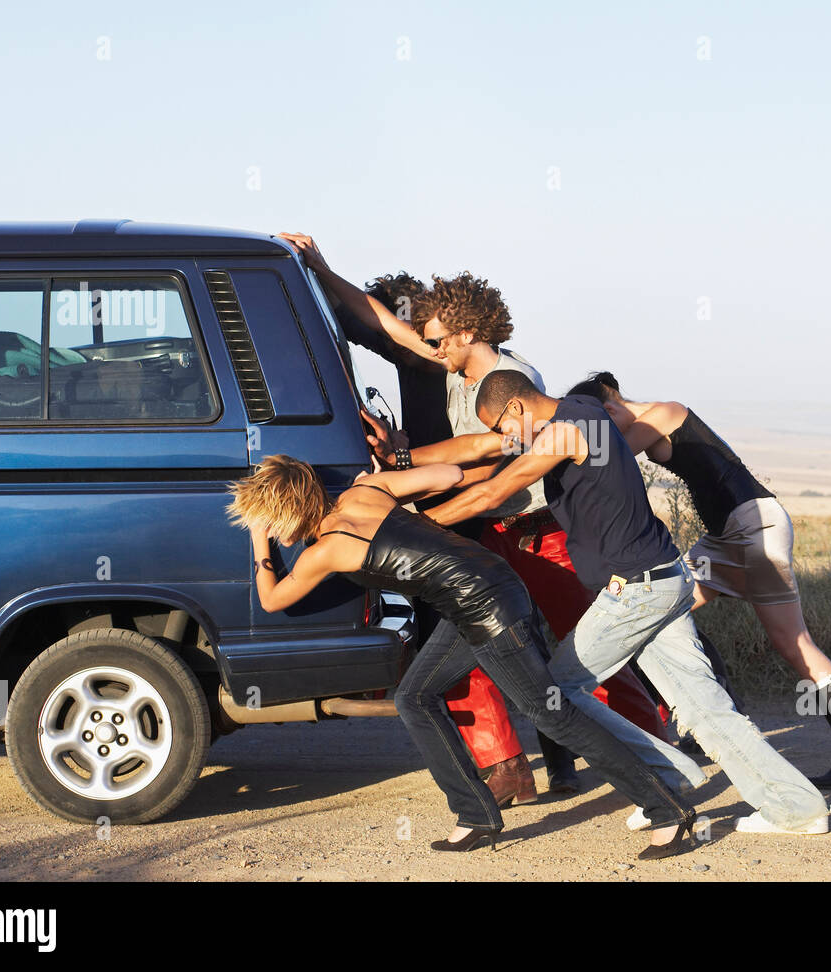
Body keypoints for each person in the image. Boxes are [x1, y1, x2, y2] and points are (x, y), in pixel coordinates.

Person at [276, 232, 667, 796]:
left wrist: (412, 486)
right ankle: (530, 769)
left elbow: (486, 463)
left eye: (435, 339)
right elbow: (385, 324)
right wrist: (320, 265)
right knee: (508, 640)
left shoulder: (511, 385)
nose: (425, 347)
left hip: (534, 529)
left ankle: (648, 744)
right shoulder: (454, 370)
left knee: (580, 644)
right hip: (496, 528)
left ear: (465, 334)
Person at [421, 370, 831, 840]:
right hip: (661, 580)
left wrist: (413, 526)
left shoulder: (564, 430)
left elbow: (495, 490)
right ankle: (795, 806)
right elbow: (473, 454)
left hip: (637, 589)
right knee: (702, 708)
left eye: (501, 428)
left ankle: (661, 778)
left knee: (557, 689)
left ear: (515, 408)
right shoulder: (588, 414)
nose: (503, 439)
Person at [226, 455, 695, 858]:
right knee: (415, 697)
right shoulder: (366, 490)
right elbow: (450, 474)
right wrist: (392, 473)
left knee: (552, 715)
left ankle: (666, 809)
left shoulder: (324, 552)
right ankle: (475, 817)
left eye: (263, 516)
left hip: (485, 608)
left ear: (282, 512)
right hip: (486, 589)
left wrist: (258, 542)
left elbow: (272, 600)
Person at [567, 372, 831, 789]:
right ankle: (717, 714)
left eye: (596, 421)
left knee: (793, 642)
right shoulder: (643, 422)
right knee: (659, 611)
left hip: (755, 526)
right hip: (724, 538)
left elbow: (604, 458)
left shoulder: (665, 412)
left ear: (608, 409)